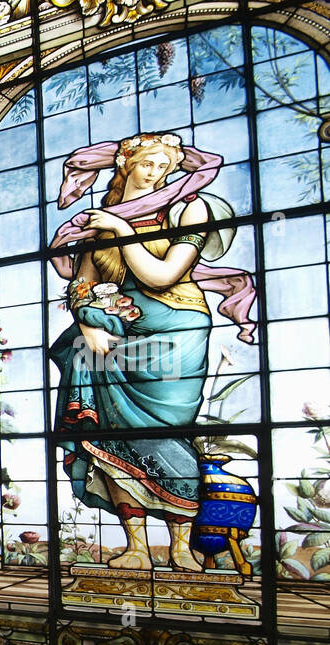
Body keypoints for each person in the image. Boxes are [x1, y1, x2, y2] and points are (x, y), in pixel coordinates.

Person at [48, 132, 256, 571]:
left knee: (167, 434)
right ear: (125, 165)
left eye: (165, 166)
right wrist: (87, 325)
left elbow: (162, 276)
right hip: (111, 335)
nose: (156, 173)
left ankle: (182, 544)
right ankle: (137, 546)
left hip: (176, 331)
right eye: (148, 163)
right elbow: (81, 284)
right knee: (114, 436)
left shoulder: (190, 207)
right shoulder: (98, 222)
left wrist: (121, 230)